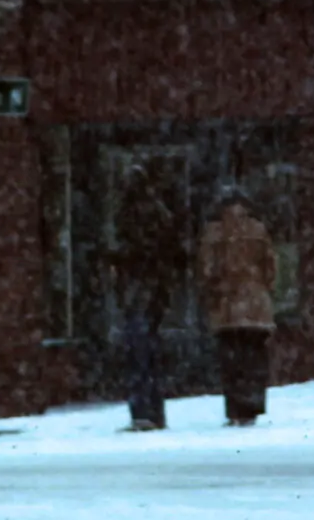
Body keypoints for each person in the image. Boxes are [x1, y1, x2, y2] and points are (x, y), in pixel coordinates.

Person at [111, 160, 182, 430]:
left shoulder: (135, 214)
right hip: (152, 289)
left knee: (139, 351)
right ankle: (152, 409)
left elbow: (141, 250)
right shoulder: (158, 212)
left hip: (141, 288)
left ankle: (142, 410)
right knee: (147, 351)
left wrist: (121, 259)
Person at [199, 188, 278, 425]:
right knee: (254, 357)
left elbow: (207, 270)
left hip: (228, 306)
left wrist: (212, 292)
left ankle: (235, 409)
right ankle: (252, 405)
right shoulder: (257, 229)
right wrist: (262, 289)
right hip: (256, 304)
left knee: (231, 361)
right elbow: (271, 267)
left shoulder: (214, 233)